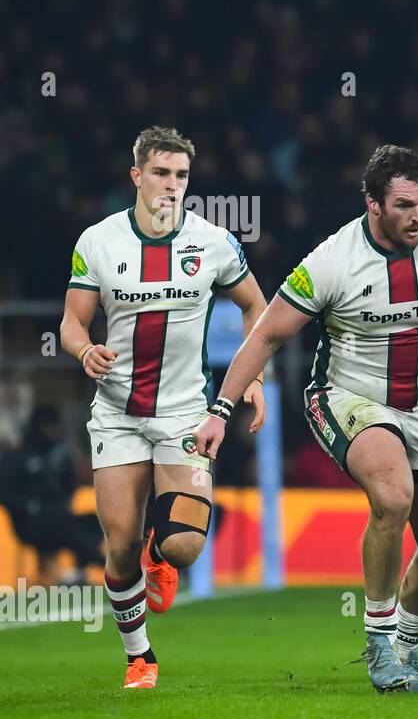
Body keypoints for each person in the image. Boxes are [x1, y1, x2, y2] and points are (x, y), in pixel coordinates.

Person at [194, 145, 418, 694]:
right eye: (404, 206)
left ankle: (407, 646)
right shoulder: (332, 260)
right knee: (393, 496)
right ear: (373, 204)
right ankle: (378, 640)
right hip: (346, 395)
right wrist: (220, 410)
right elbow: (270, 334)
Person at [60, 125, 268, 689]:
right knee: (119, 542)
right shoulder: (99, 241)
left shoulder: (213, 242)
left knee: (184, 544)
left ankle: (162, 553)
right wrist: (84, 350)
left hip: (183, 413)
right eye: (160, 173)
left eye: (180, 175)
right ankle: (140, 656)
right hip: (117, 413)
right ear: (136, 176)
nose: (170, 185)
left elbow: (258, 308)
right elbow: (72, 322)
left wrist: (254, 377)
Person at [0, 407, 104, 585]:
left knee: (91, 522)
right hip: (27, 522)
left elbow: (69, 486)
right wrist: (29, 507)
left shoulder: (58, 455)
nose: (54, 432)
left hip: (57, 515)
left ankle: (80, 572)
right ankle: (107, 566)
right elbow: (4, 492)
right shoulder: (19, 457)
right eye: (51, 427)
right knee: (70, 528)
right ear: (40, 427)